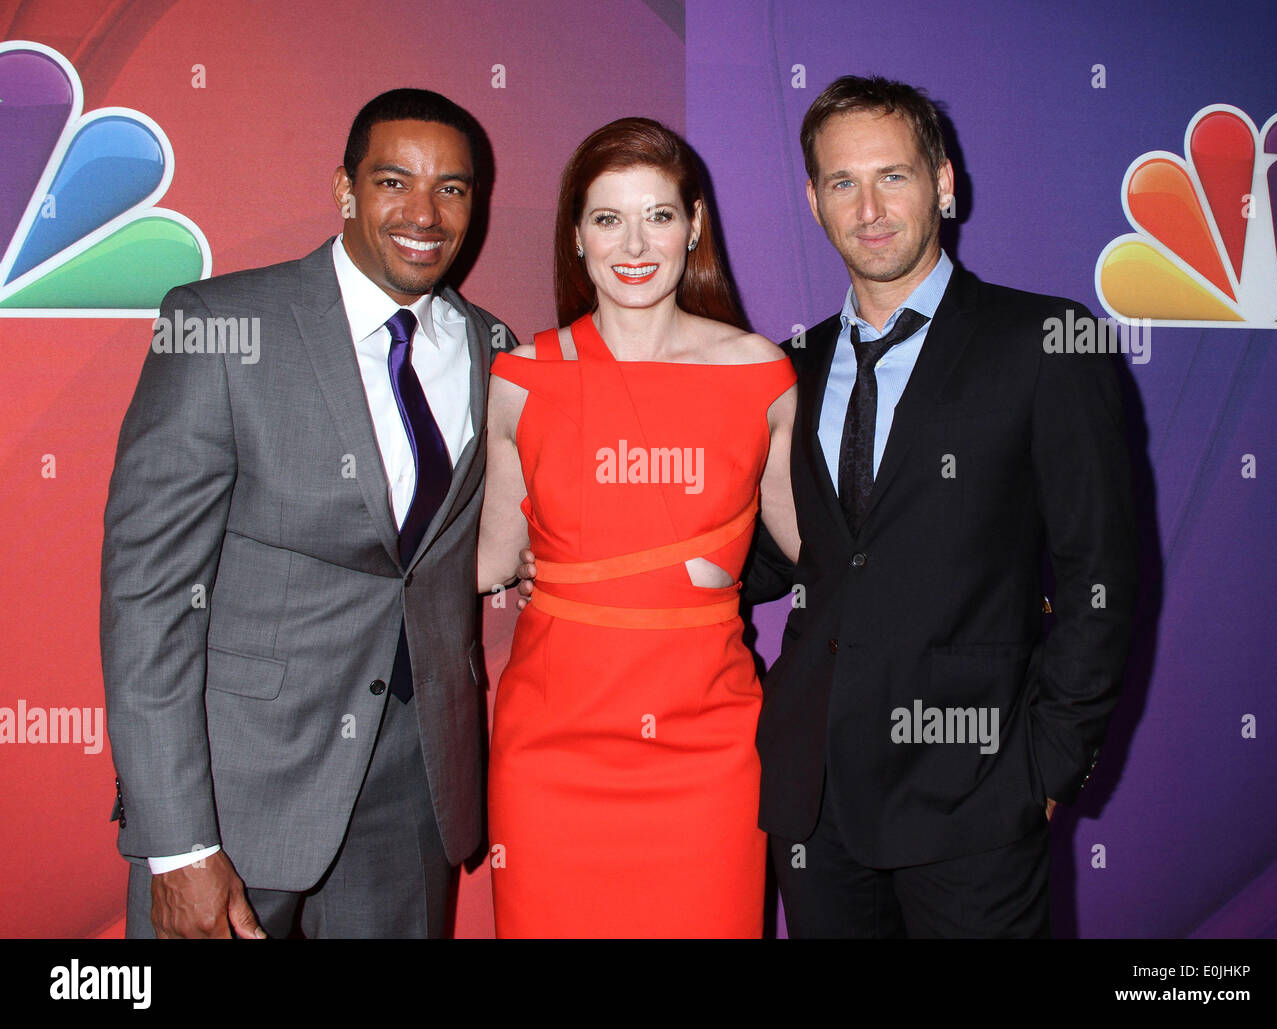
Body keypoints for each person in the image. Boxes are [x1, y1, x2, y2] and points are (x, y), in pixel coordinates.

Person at [101, 88, 518, 938]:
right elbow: (148, 599)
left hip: (413, 796)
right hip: (237, 793)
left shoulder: (493, 348)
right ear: (344, 189)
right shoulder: (220, 326)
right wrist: (178, 846)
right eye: (394, 181)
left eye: (453, 189)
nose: (424, 213)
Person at [738, 75, 1138, 937]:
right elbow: (780, 553)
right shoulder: (788, 366)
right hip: (816, 803)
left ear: (945, 184)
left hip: (977, 797)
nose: (870, 207)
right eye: (843, 182)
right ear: (813, 200)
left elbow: (1100, 573)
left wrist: (1048, 768)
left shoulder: (1044, 343)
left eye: (896, 175)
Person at [477, 117, 799, 938]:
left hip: (708, 749)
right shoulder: (520, 376)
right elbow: (485, 561)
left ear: (694, 226)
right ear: (576, 237)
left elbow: (817, 550)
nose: (635, 242)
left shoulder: (762, 374)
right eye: (607, 217)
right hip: (551, 750)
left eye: (658, 214)